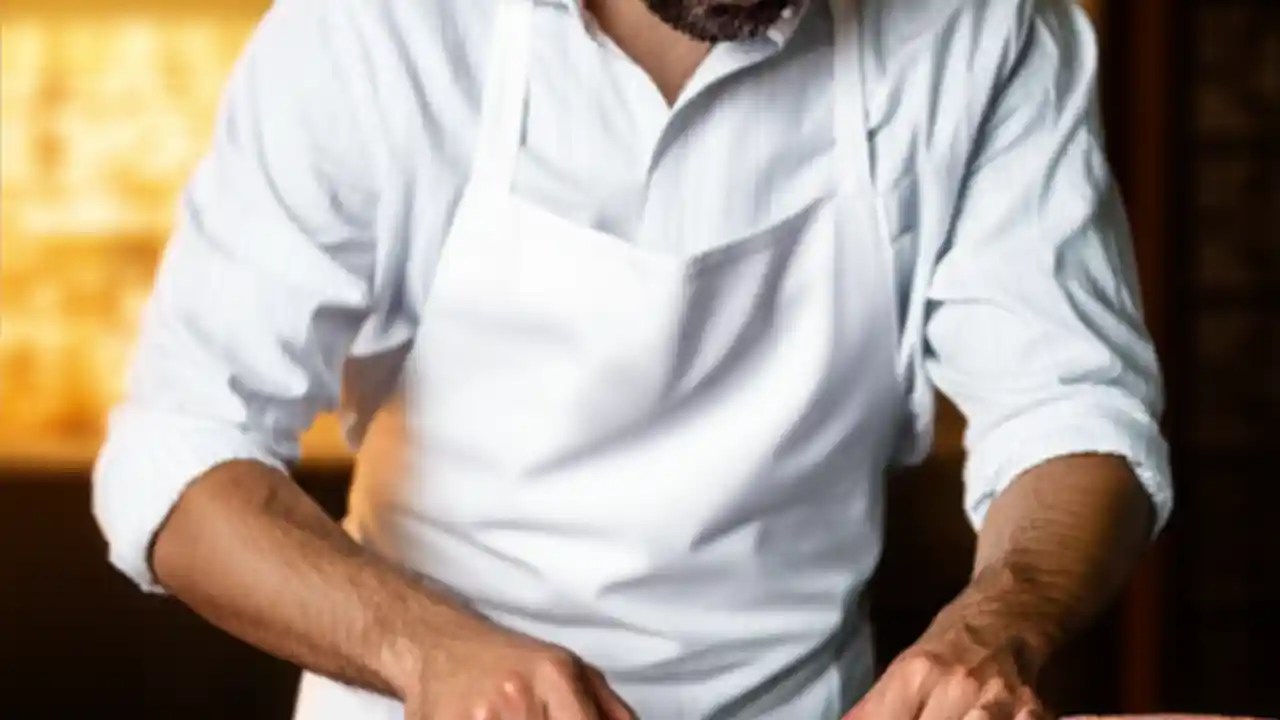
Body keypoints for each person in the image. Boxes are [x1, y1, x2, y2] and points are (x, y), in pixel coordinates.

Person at [92, 0, 1172, 717]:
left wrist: (994, 628)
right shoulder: (379, 28)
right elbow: (181, 462)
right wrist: (428, 654)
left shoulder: (980, 31)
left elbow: (1072, 409)